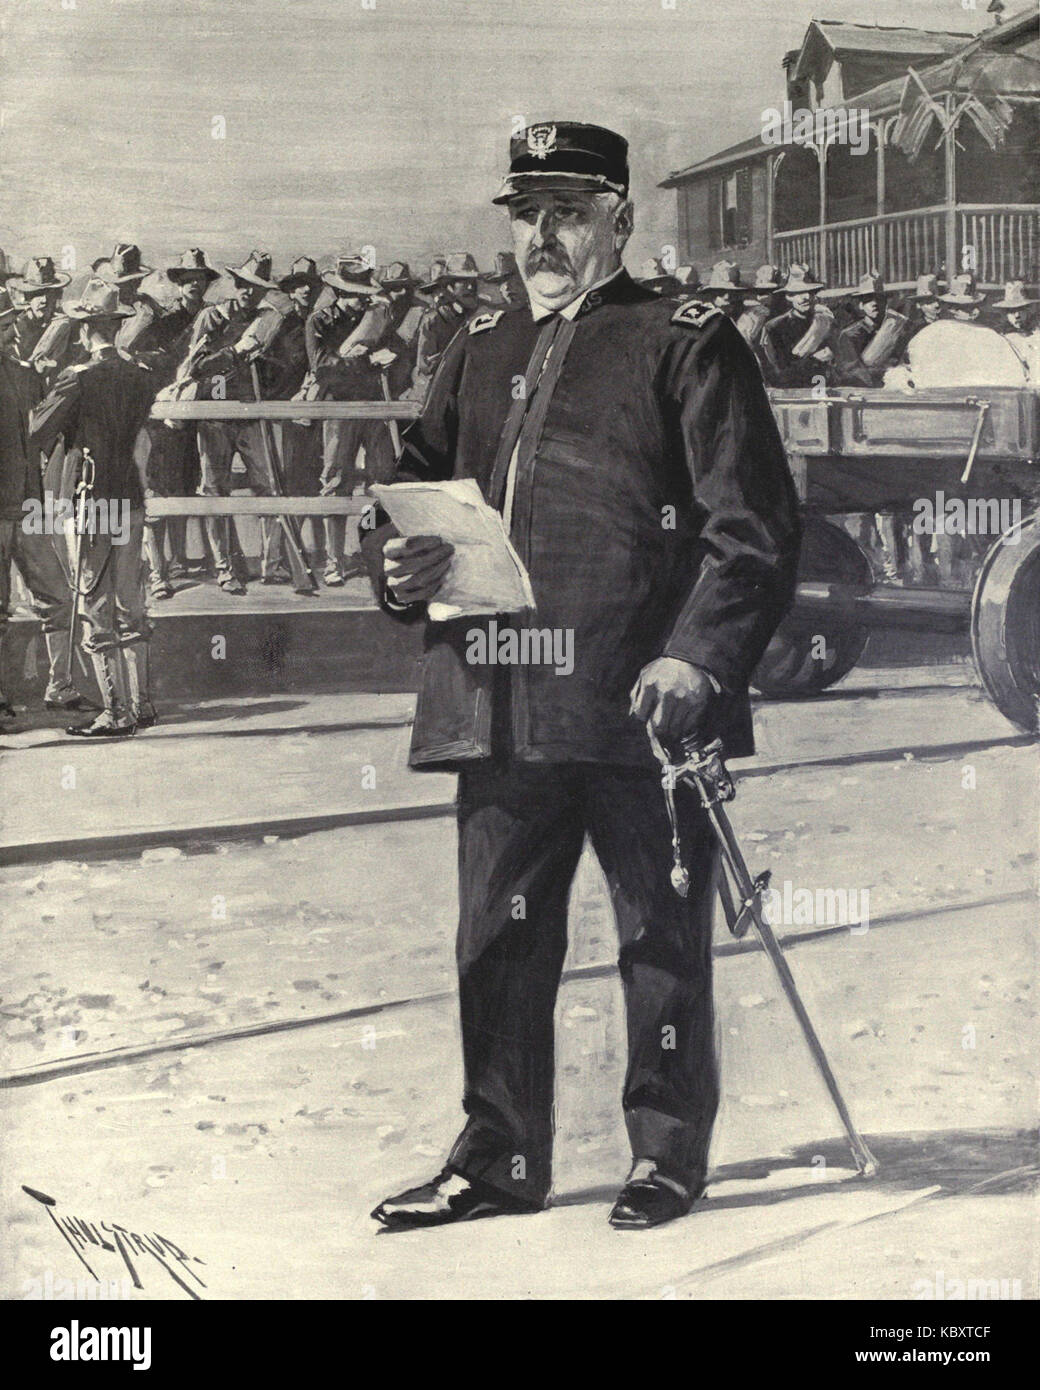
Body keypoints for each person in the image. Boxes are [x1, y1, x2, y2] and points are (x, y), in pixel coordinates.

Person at [365, 120, 801, 1232]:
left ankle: (663, 1154)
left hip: (638, 706)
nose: (543, 235)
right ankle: (499, 1155)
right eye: (527, 212)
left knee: (659, 939)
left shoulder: (685, 338)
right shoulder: (476, 344)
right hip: (499, 698)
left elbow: (748, 529)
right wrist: (397, 565)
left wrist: (696, 657)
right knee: (496, 939)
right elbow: (413, 490)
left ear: (620, 216)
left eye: (567, 209)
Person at [29, 279, 158, 737]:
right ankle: (142, 704)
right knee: (131, 604)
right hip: (130, 499)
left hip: (89, 502)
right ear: (115, 328)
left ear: (84, 330)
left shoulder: (78, 378)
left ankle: (115, 712)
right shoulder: (142, 376)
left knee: (96, 606)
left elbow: (37, 433)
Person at [0, 301, 87, 724]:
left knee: (58, 597)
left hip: (26, 509)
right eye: (4, 327)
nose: (12, 334)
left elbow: (49, 396)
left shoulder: (19, 373)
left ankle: (61, 686)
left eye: (11, 325)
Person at [176, 250, 278, 594]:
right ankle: (223, 567)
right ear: (235, 285)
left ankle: (272, 564)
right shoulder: (212, 317)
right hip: (215, 415)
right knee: (214, 490)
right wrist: (236, 351)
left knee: (267, 485)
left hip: (250, 413)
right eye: (245, 285)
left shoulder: (268, 319)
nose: (250, 293)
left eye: (257, 288)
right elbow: (196, 366)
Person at [120, 247, 218, 598]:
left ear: (207, 284)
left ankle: (178, 561)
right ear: (178, 285)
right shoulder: (164, 321)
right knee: (158, 492)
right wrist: (174, 362)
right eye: (187, 280)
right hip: (163, 418)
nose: (194, 285)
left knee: (187, 486)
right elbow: (138, 357)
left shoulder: (213, 317)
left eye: (200, 280)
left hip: (198, 417)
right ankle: (158, 571)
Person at [305, 255, 391, 585]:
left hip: (372, 408)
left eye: (364, 294)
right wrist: (365, 362)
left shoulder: (376, 317)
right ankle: (334, 560)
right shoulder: (319, 321)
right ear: (339, 292)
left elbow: (395, 350)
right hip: (338, 408)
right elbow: (322, 366)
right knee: (335, 481)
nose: (361, 301)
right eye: (354, 294)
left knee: (381, 479)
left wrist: (382, 358)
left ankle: (373, 552)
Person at [410, 253, 485, 398]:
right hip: (440, 391)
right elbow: (424, 365)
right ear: (449, 287)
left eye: (473, 282)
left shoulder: (479, 315)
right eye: (463, 282)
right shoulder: (433, 320)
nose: (470, 287)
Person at [759, 264, 834, 387]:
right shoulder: (774, 327)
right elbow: (777, 375)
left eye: (810, 292)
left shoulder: (824, 321)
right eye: (799, 293)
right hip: (792, 394)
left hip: (824, 390)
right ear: (789, 297)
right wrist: (814, 360)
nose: (806, 297)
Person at [834, 272, 910, 387]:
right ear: (861, 305)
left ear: (885, 303)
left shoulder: (896, 331)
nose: (874, 304)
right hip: (865, 391)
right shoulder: (850, 335)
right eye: (868, 300)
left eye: (879, 299)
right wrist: (885, 374)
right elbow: (851, 371)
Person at [994, 280, 1040, 381]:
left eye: (1021, 309)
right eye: (1011, 311)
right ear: (1005, 314)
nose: (1017, 316)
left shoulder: (1037, 336)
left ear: (1029, 310)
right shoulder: (1003, 340)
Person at [735, 263, 782, 357]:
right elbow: (747, 339)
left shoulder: (778, 310)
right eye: (762, 293)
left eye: (771, 292)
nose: (767, 296)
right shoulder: (754, 313)